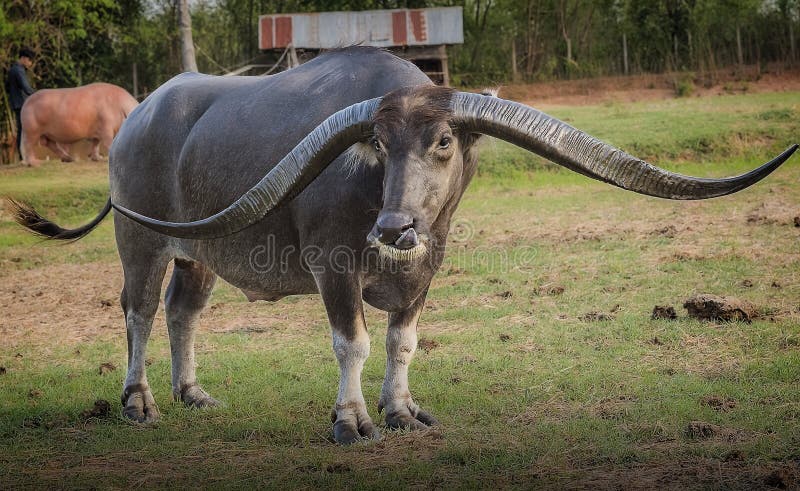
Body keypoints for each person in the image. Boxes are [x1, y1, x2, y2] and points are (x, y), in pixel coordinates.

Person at [6, 47, 35, 161]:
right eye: (30, 60)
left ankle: (23, 156)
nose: (30, 63)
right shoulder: (18, 70)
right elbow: (27, 88)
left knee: (22, 129)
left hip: (16, 102)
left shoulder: (13, 68)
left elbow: (8, 87)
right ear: (23, 58)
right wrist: (40, 95)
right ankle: (23, 156)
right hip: (21, 104)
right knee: (23, 130)